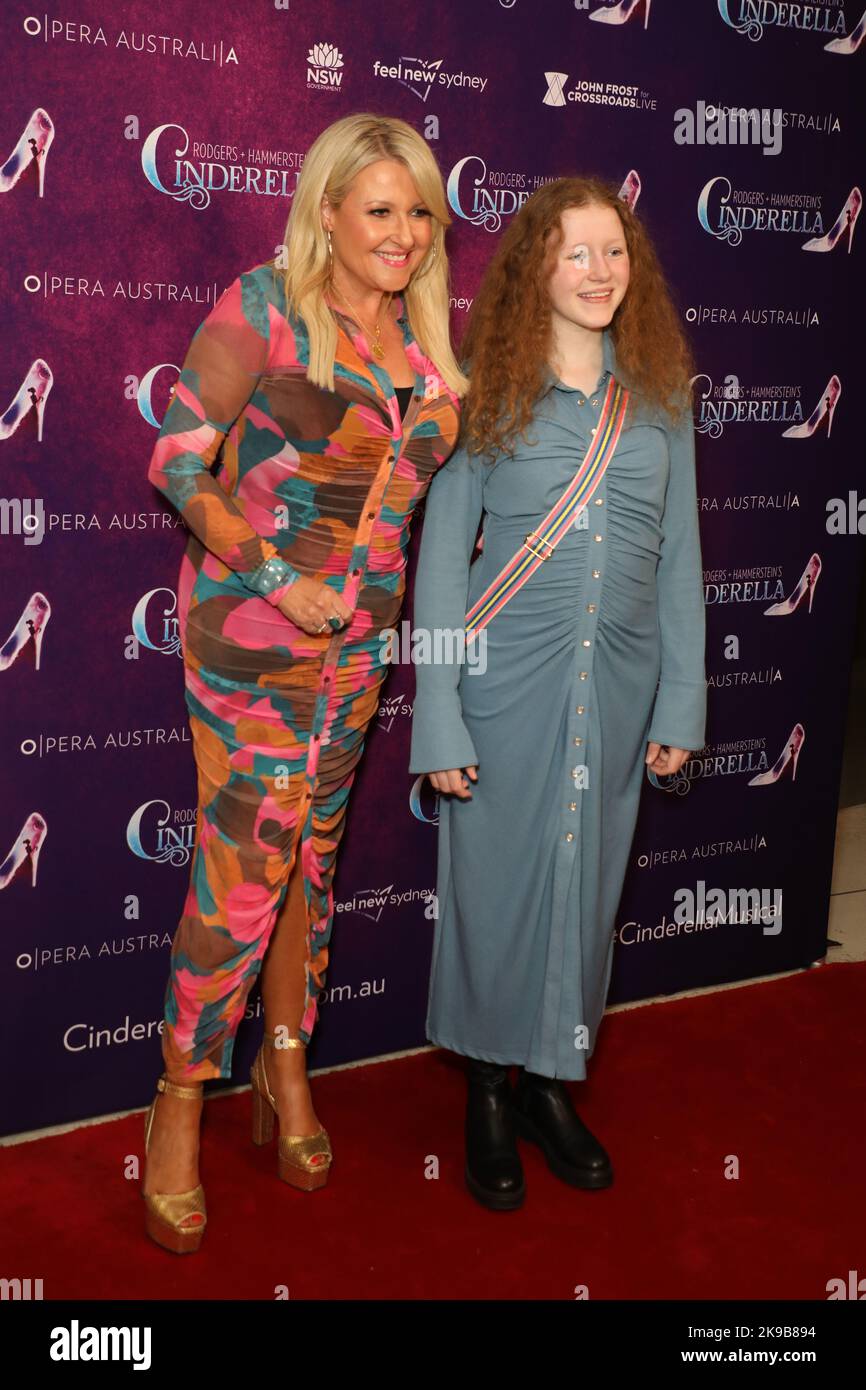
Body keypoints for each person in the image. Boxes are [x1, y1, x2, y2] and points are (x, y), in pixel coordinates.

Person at [141, 112, 466, 1253]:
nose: (403, 232)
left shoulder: (427, 346)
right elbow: (176, 458)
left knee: (310, 862)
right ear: (325, 209)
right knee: (243, 866)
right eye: (379, 208)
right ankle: (180, 1096)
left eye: (418, 210)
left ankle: (285, 1068)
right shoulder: (265, 304)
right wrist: (281, 577)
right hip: (253, 638)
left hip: (357, 653)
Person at [408, 175, 706, 1210]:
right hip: (501, 692)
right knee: (494, 896)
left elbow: (678, 564)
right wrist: (435, 710)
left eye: (613, 252)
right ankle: (485, 1089)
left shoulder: (660, 399)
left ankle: (547, 1084)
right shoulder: (484, 393)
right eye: (574, 252)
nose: (597, 271)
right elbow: (440, 565)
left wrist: (680, 705)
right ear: (535, 265)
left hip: (617, 697)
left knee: (584, 902)